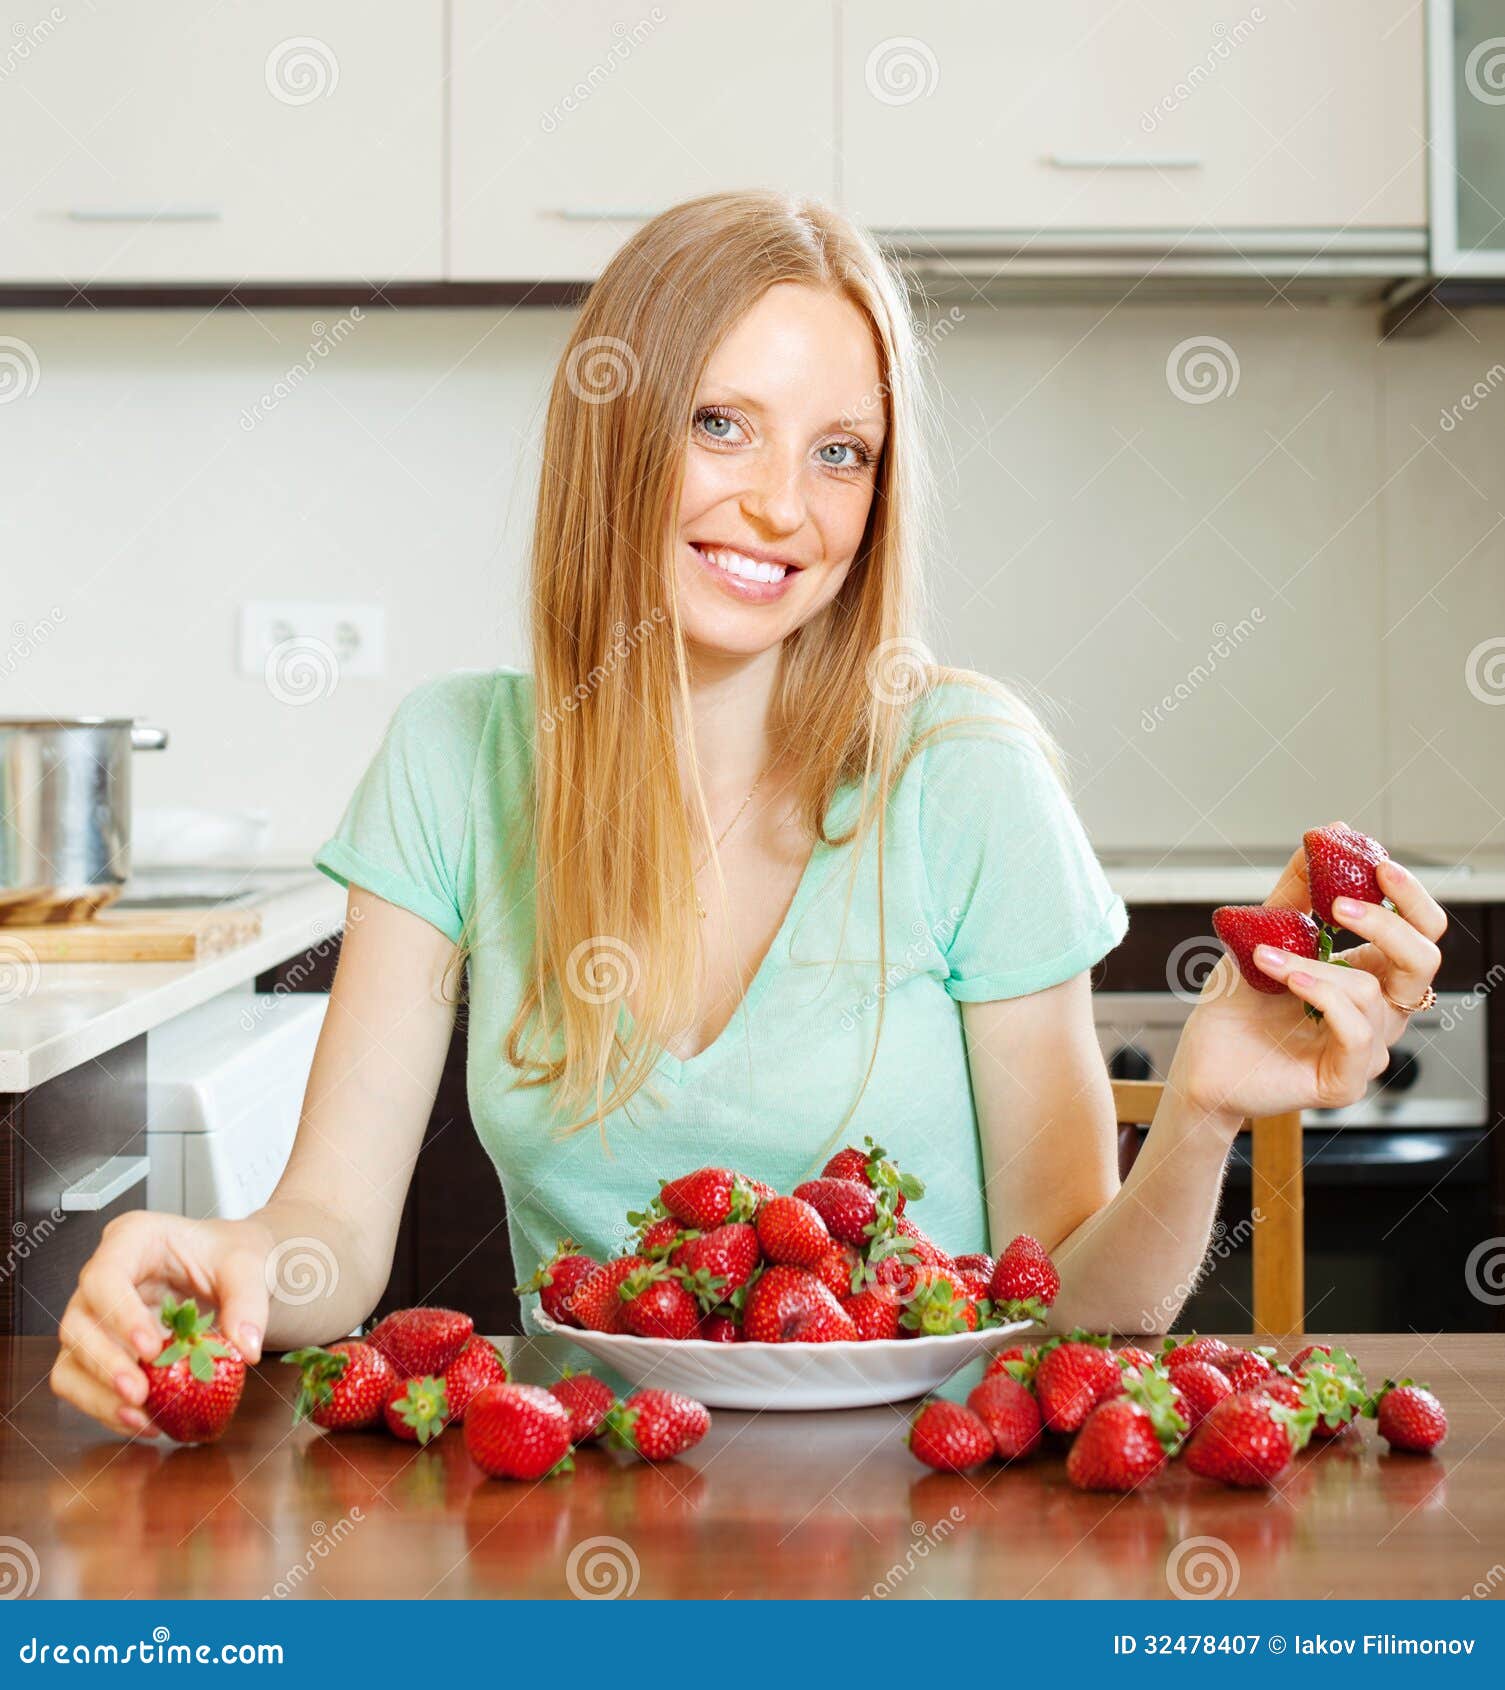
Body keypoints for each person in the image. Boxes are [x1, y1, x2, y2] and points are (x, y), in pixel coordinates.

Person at [50, 191, 1446, 1435]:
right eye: (723, 425)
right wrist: (232, 1261)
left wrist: (1198, 1111)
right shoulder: (452, 758)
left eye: (842, 452)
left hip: (937, 1537)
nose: (783, 505)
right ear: (617, 435)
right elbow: (333, 1239)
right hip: (594, 1520)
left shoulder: (967, 773)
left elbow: (1075, 1313)